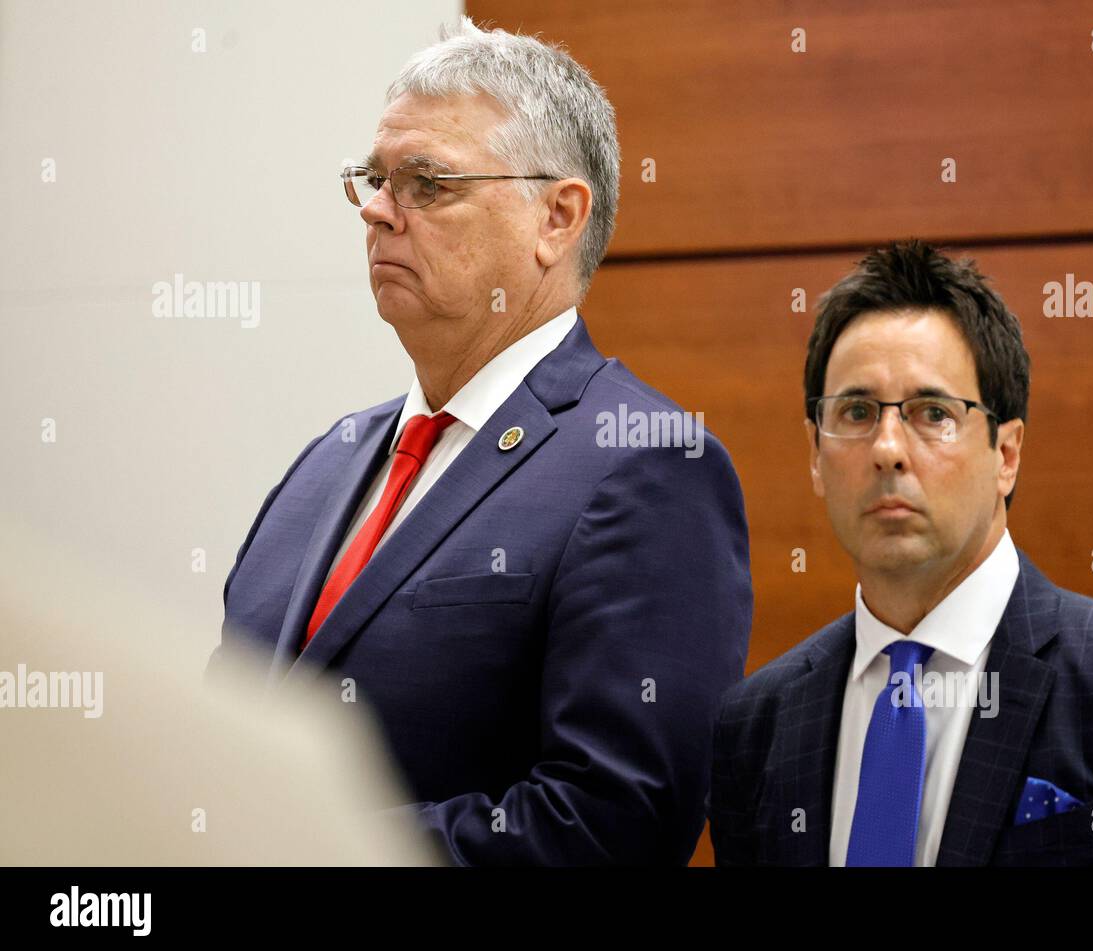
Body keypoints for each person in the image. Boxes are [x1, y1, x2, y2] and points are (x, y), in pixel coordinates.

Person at [209, 17, 752, 866]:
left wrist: (315, 846)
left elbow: (616, 822)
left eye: (428, 183)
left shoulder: (646, 462)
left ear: (556, 218)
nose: (381, 213)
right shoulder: (321, 467)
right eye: (376, 180)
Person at [708, 239, 1093, 866]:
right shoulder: (758, 724)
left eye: (931, 412)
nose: (886, 448)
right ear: (814, 455)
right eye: (856, 411)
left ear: (1006, 455)